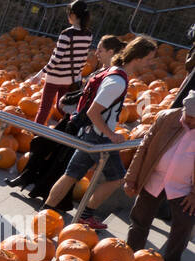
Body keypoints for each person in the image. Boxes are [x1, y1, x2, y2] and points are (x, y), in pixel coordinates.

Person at [43, 36, 158, 229]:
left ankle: (46, 212)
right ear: (137, 58)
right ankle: (84, 215)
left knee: (71, 174)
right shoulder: (117, 82)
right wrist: (111, 135)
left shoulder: (113, 72)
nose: (151, 63)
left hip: (90, 133)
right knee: (117, 178)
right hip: (99, 137)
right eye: (149, 58)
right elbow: (93, 112)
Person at [9, 35, 123, 201]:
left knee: (60, 159)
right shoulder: (101, 69)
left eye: (100, 49)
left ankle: (42, 190)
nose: (96, 52)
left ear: (111, 52)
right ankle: (27, 177)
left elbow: (94, 102)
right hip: (74, 117)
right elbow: (85, 94)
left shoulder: (111, 75)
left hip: (82, 122)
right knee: (41, 143)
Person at [123, 91, 195, 261]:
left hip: (184, 188)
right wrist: (132, 177)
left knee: (183, 229)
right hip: (154, 179)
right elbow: (144, 147)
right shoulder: (166, 117)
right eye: (190, 117)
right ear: (184, 109)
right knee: (139, 220)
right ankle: (129, 259)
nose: (193, 122)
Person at [31, 1, 93, 125]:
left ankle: (34, 134)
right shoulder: (88, 35)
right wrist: (77, 76)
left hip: (55, 77)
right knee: (64, 108)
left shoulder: (66, 34)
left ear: (74, 15)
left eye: (68, 13)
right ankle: (68, 131)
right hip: (70, 79)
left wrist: (40, 74)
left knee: (44, 108)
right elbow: (82, 58)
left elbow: (56, 59)